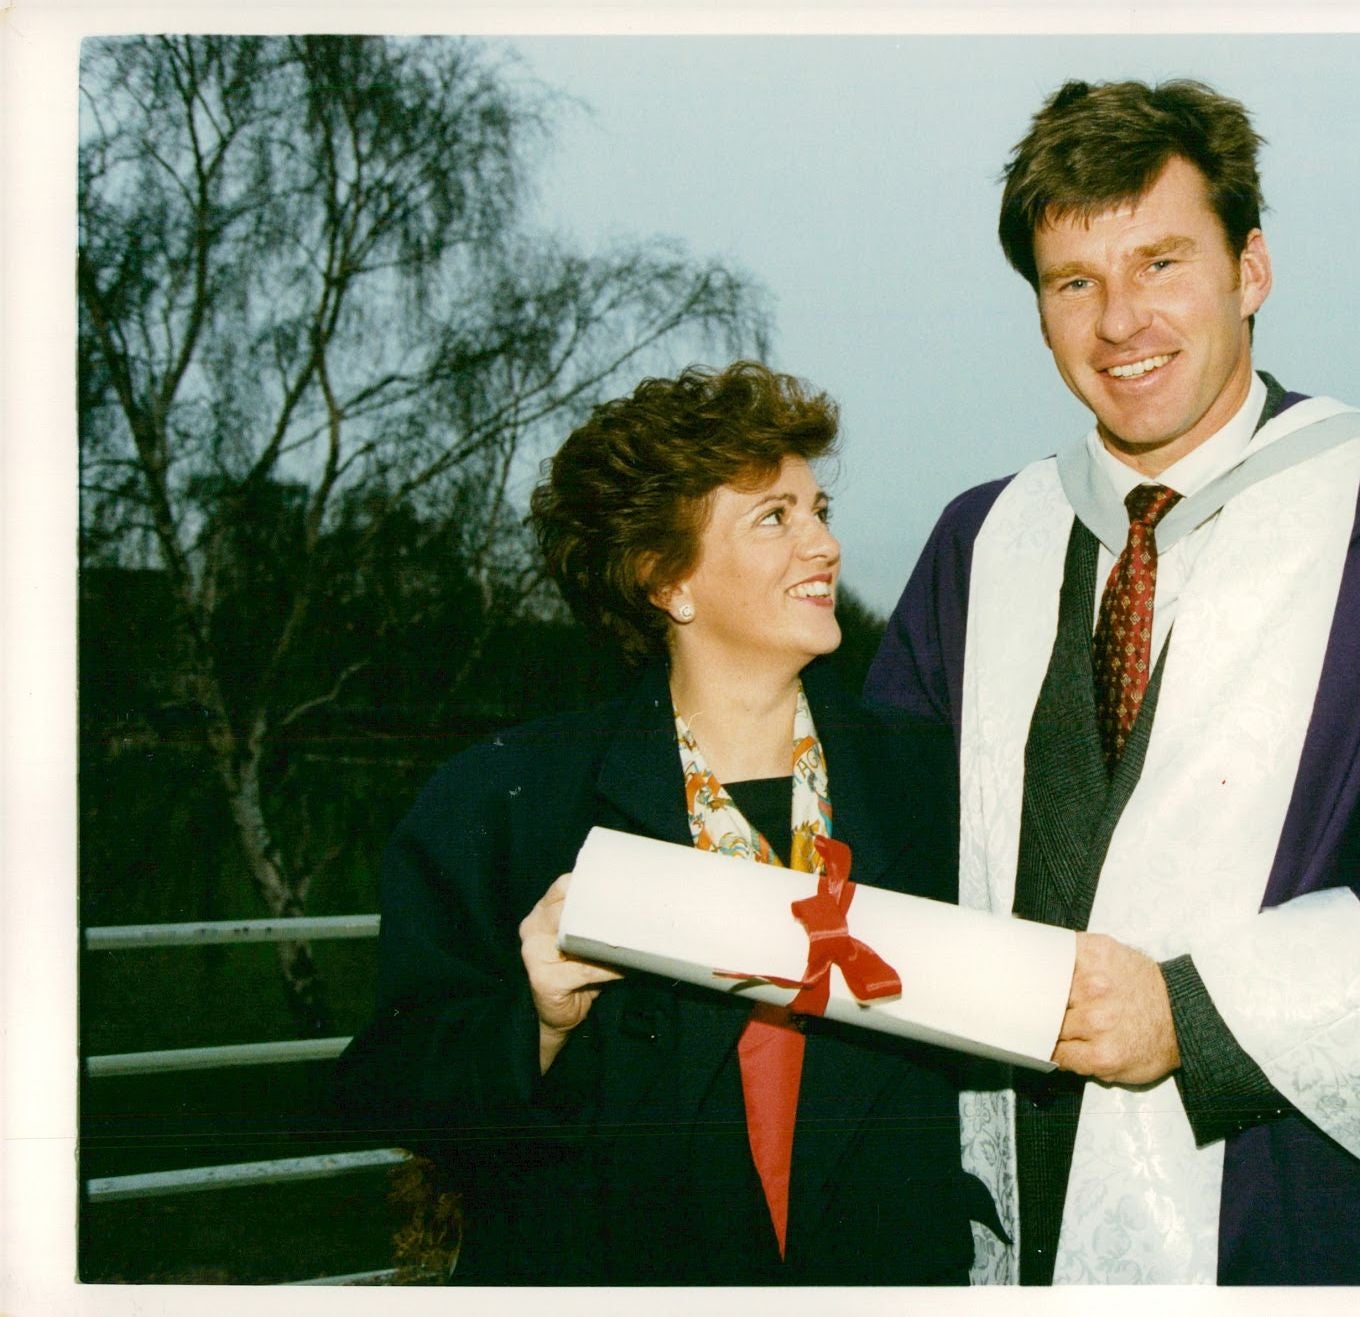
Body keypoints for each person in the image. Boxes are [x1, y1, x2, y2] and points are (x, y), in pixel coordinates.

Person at [865, 79, 1360, 1285]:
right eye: (1074, 283)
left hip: (1310, 1207)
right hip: (1021, 1212)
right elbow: (881, 854)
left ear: (1249, 269)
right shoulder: (979, 543)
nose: (1119, 322)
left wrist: (1193, 1015)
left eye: (1161, 261)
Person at [336, 361, 983, 1285]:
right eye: (775, 517)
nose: (825, 545)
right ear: (666, 577)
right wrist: (539, 1025)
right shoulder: (507, 800)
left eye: (819, 508)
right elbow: (391, 1082)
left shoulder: (929, 779)